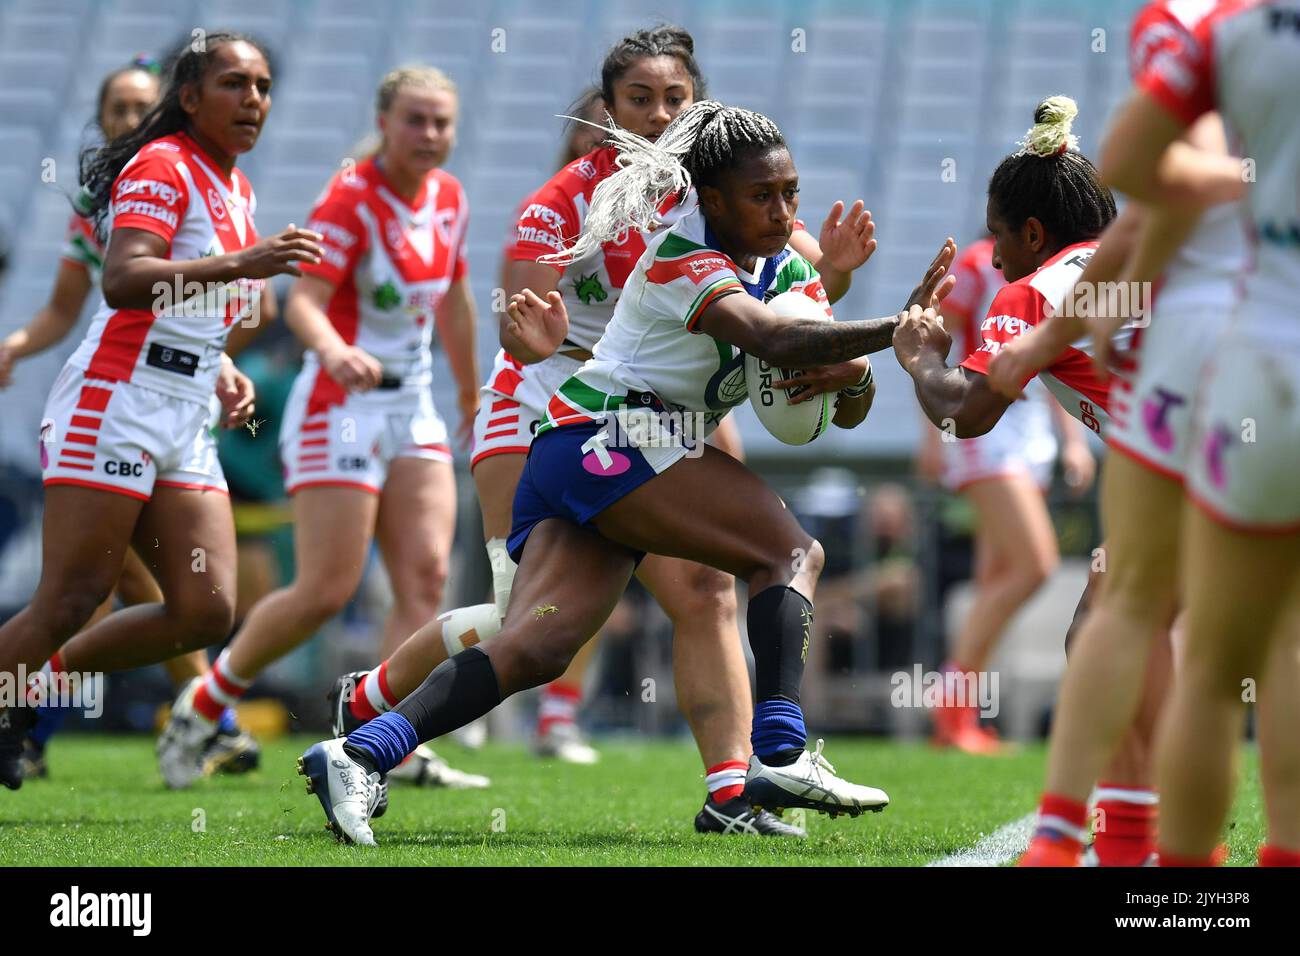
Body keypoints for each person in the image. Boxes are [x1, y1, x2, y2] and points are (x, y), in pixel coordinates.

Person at [299, 99, 946, 846]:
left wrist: (854, 377)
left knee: (533, 646)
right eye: (760, 196)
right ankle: (779, 751)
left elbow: (826, 395)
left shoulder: (789, 265)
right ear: (710, 199)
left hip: (594, 449)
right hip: (610, 437)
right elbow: (772, 337)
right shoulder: (685, 254)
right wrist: (897, 329)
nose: (780, 210)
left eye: (789, 192)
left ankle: (357, 753)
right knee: (790, 552)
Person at [0, 33, 324, 791]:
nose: (254, 100)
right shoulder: (164, 163)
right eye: (234, 83)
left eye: (264, 86)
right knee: (72, 597)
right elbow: (124, 279)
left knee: (205, 611)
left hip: (183, 409)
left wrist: (220, 365)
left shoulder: (234, 187)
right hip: (115, 399)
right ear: (188, 97)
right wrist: (245, 263)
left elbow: (196, 311)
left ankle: (26, 688)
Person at [156, 64, 486, 791]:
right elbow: (302, 300)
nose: (430, 135)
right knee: (328, 588)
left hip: (415, 405)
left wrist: (470, 393)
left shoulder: (451, 197)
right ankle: (202, 706)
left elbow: (457, 299)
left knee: (425, 577)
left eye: (442, 122)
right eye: (416, 120)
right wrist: (335, 350)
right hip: (339, 408)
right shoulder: (352, 197)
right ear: (386, 121)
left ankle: (391, 740)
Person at [990, 1, 1251, 867]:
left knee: (1122, 614)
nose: (992, 259)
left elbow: (968, 405)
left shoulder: (1033, 286)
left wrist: (922, 357)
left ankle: (1098, 838)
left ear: (1028, 231)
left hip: (1209, 411)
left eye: (999, 240)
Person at [1099, 0, 1300, 867]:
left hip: (1271, 355)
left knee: (1216, 666)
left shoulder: (1237, 32)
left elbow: (1129, 165)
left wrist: (1251, 180)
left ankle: (1186, 902)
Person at [915, 235, 1095, 754]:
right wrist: (934, 435)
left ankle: (957, 715)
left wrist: (1073, 443)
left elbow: (1056, 357)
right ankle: (949, 698)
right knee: (1034, 564)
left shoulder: (1052, 270)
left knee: (997, 574)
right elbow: (935, 345)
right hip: (985, 429)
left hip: (1030, 428)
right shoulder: (976, 264)